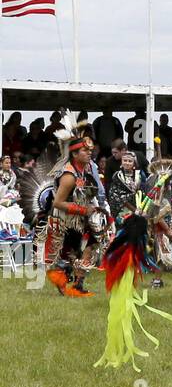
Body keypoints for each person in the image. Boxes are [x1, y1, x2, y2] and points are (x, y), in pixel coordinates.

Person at [36, 123, 110, 298]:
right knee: (69, 254)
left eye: (90, 150)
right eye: (84, 151)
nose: (89, 153)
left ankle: (77, 285)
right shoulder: (69, 176)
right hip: (64, 220)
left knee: (89, 245)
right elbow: (57, 203)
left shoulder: (84, 170)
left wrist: (94, 206)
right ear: (75, 154)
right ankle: (64, 280)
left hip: (78, 217)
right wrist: (84, 210)